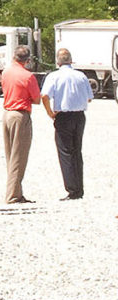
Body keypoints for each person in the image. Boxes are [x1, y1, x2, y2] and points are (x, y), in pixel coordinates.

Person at [40, 47, 92, 200]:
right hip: (79, 116)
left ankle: (72, 189)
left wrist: (50, 112)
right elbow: (89, 97)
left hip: (63, 116)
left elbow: (44, 96)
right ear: (71, 60)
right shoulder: (81, 75)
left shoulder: (54, 76)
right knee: (77, 151)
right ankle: (79, 187)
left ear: (58, 61)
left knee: (65, 152)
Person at [0, 44, 40, 204]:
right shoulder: (28, 76)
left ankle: (16, 191)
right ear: (28, 60)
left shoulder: (6, 72)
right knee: (19, 156)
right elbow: (37, 99)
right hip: (20, 114)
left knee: (10, 155)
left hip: (7, 113)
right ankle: (12, 195)